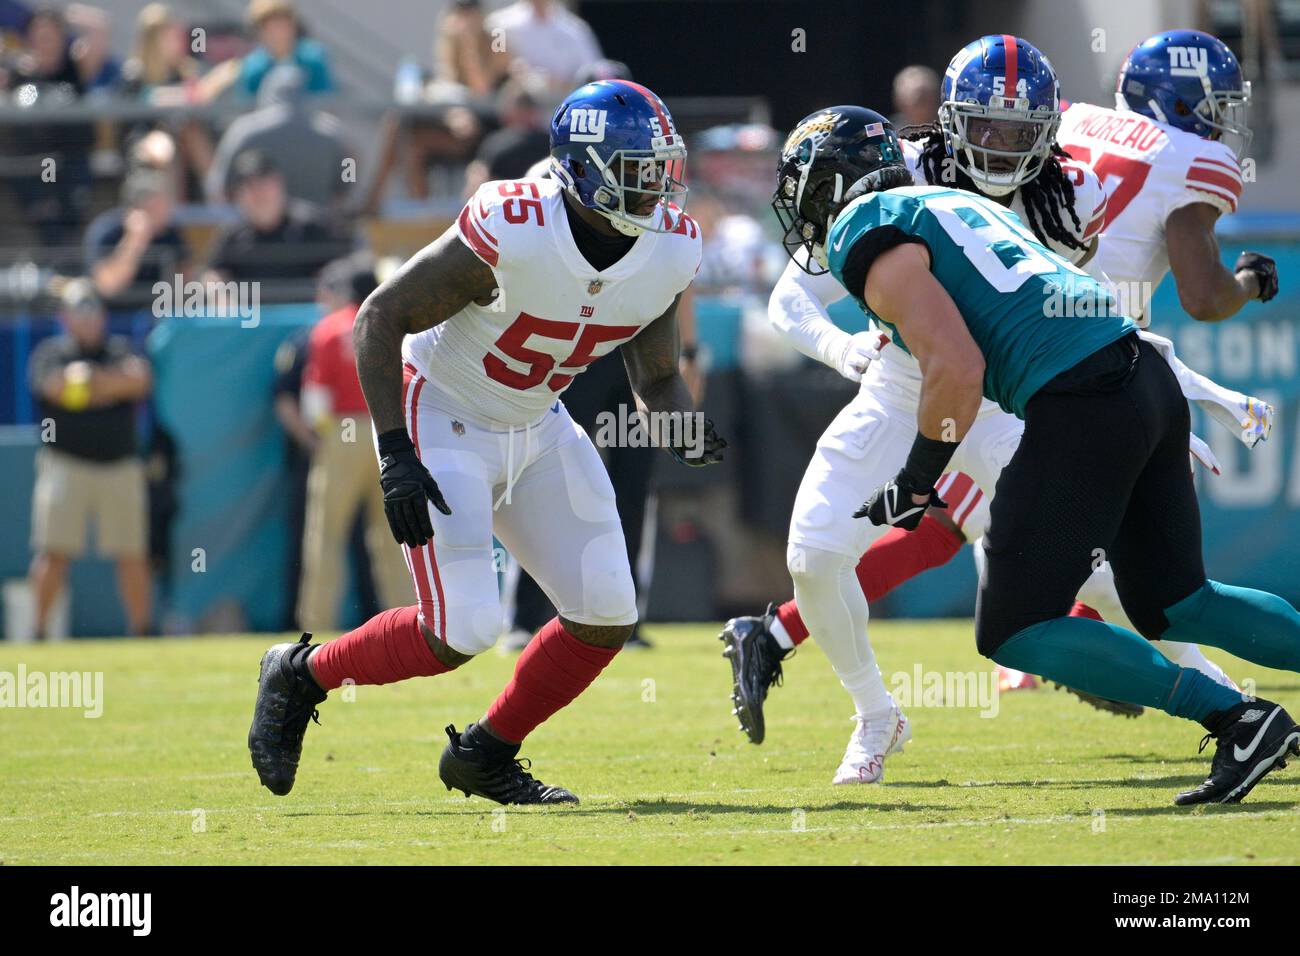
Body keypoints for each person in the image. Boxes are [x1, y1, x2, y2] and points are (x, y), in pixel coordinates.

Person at [721, 35, 1269, 771]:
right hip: (903, 389)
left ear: (1050, 130)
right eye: (985, 127)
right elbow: (795, 296)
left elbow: (1088, 316)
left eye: (1019, 132)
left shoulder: (1073, 192)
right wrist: (846, 349)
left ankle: (1233, 705)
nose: (1002, 148)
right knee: (814, 555)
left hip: (1008, 399)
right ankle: (876, 715)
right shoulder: (899, 172)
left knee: (1103, 575)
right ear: (949, 122)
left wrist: (1179, 397)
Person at [248, 79, 725, 805]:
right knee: (460, 629)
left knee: (605, 613)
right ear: (587, 169)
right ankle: (300, 673)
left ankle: (485, 754)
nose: (659, 188)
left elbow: (655, 373)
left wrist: (681, 422)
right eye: (639, 171)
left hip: (537, 422)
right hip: (442, 411)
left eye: (663, 169)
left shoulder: (667, 250)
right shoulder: (516, 223)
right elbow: (379, 318)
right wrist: (396, 452)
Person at [27, 280, 153, 638]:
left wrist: (88, 385)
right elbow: (55, 388)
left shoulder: (119, 348)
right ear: (66, 318)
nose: (87, 319)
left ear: (103, 315)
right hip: (65, 463)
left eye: (93, 311)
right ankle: (37, 633)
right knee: (53, 552)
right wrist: (104, 388)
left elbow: (138, 381)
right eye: (79, 313)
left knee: (131, 554)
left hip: (120, 465)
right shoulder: (50, 353)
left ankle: (141, 632)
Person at [296, 254, 414, 632]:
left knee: (326, 535)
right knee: (397, 538)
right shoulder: (395, 324)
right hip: (392, 431)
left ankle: (316, 623)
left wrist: (324, 434)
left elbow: (316, 399)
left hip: (344, 433)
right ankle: (408, 621)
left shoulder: (329, 329)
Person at [206, 65, 350, 208]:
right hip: (319, 224)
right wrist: (345, 194)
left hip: (260, 226)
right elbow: (350, 166)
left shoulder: (244, 131)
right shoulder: (333, 133)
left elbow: (217, 186)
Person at [204, 150, 353, 285]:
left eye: (264, 184)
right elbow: (212, 273)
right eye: (249, 186)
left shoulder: (314, 225)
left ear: (280, 184)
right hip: (252, 313)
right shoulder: (234, 235)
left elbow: (347, 265)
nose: (258, 193)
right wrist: (218, 289)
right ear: (238, 195)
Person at [85, 165, 190, 308]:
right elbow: (108, 286)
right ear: (145, 205)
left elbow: (187, 280)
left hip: (158, 313)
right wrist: (135, 240)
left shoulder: (169, 233)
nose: (169, 209)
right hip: (112, 315)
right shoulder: (106, 231)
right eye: (162, 203)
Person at [485, 0, 602, 95]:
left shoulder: (576, 29)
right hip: (518, 106)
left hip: (563, 104)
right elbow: (497, 61)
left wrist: (560, 84)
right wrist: (510, 67)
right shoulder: (499, 24)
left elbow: (593, 73)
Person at [890, 64, 940, 129]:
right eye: (920, 99)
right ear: (899, 101)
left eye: (928, 96)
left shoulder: (949, 130)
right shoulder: (889, 134)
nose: (924, 104)